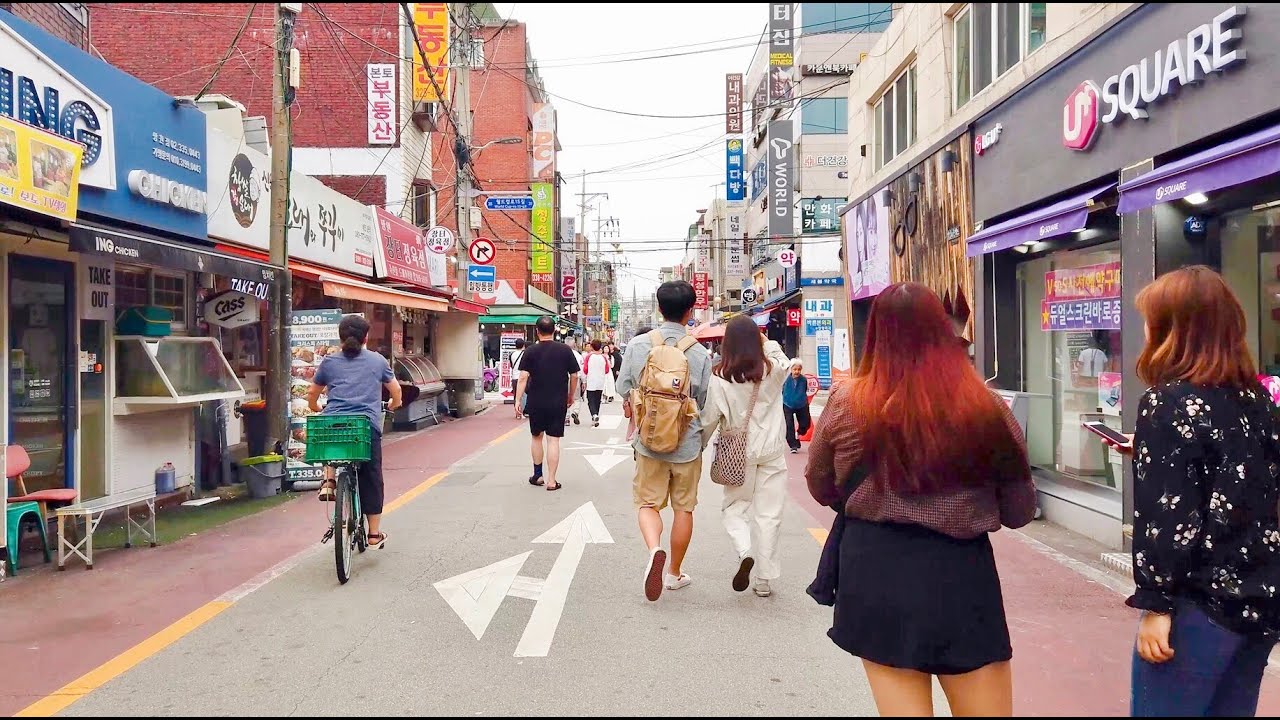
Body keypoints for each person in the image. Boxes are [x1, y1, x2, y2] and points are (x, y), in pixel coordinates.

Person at [805, 282, 1035, 717]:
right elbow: (1020, 510)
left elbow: (821, 485)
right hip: (961, 575)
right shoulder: (984, 406)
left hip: (874, 568)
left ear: (875, 334)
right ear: (942, 331)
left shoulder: (847, 401)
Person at [1111, 267, 1280, 717]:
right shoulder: (1256, 400)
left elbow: (1168, 519)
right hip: (1259, 599)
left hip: (1197, 603)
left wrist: (1156, 603)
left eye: (1151, 319)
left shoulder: (1166, 402)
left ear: (1172, 329)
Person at [617, 282, 711, 601]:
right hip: (686, 445)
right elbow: (704, 401)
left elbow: (622, 387)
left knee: (647, 503)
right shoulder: (699, 353)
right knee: (684, 509)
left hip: (649, 439)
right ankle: (673, 573)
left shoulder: (639, 344)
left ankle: (654, 548)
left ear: (659, 309)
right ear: (690, 311)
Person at [701, 316, 792, 597]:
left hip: (738, 454)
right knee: (769, 515)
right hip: (772, 451)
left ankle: (744, 551)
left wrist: (698, 448)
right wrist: (767, 342)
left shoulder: (720, 377)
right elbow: (785, 360)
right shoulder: (773, 370)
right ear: (757, 341)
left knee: (734, 508)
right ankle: (764, 581)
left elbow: (710, 419)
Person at [308, 315, 404, 548]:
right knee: (372, 477)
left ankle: (329, 480)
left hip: (333, 424)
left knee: (328, 436)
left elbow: (312, 394)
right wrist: (393, 405)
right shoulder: (377, 361)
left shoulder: (329, 362)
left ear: (340, 338)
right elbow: (396, 392)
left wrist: (315, 407)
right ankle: (373, 534)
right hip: (364, 426)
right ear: (366, 337)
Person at [514, 317, 580, 492]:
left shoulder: (530, 351)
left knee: (536, 437)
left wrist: (517, 400)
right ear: (554, 331)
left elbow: (522, 377)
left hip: (536, 400)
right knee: (553, 440)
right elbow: (574, 376)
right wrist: (570, 395)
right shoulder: (565, 351)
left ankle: (538, 475)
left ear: (537, 331)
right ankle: (552, 480)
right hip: (558, 400)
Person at [782, 359, 811, 454]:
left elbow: (805, 389)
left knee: (805, 424)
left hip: (801, 404)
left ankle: (799, 433)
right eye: (795, 369)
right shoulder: (785, 379)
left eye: (799, 369)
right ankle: (793, 445)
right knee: (789, 425)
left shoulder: (803, 379)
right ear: (791, 369)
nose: (797, 371)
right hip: (787, 404)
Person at [582, 339, 611, 427]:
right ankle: (596, 416)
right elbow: (607, 370)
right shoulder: (604, 358)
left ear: (591, 347)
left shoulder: (589, 357)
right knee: (597, 400)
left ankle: (594, 415)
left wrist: (584, 381)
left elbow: (585, 369)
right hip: (600, 382)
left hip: (591, 381)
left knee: (590, 400)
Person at [509, 338, 527, 403]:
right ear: (523, 345)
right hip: (523, 377)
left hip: (514, 378)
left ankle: (517, 410)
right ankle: (523, 411)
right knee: (523, 395)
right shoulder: (525, 354)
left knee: (516, 397)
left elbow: (511, 365)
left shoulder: (511, 355)